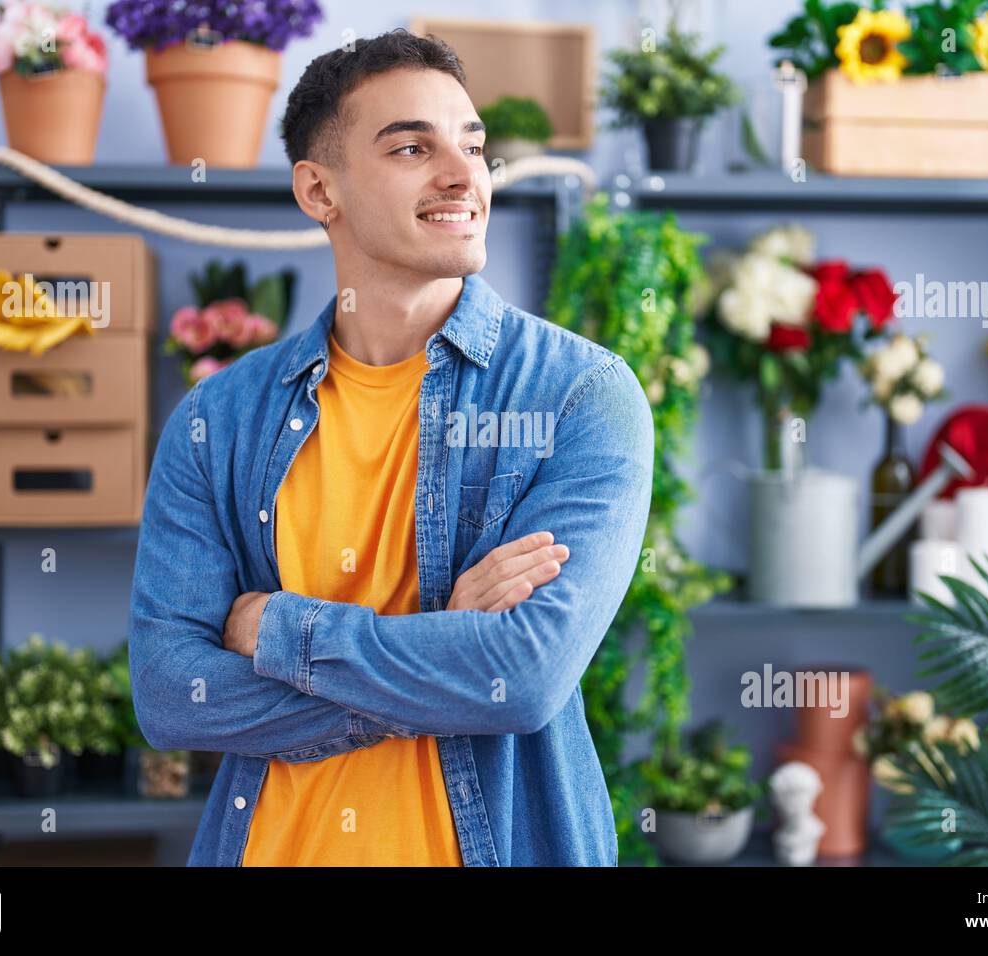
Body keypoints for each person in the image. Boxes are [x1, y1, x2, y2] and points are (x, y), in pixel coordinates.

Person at [127, 28, 653, 867]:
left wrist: (277, 630)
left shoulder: (578, 396)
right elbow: (172, 696)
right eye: (413, 147)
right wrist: (444, 645)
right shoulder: (216, 419)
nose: (463, 175)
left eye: (472, 145)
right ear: (319, 190)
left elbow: (522, 680)